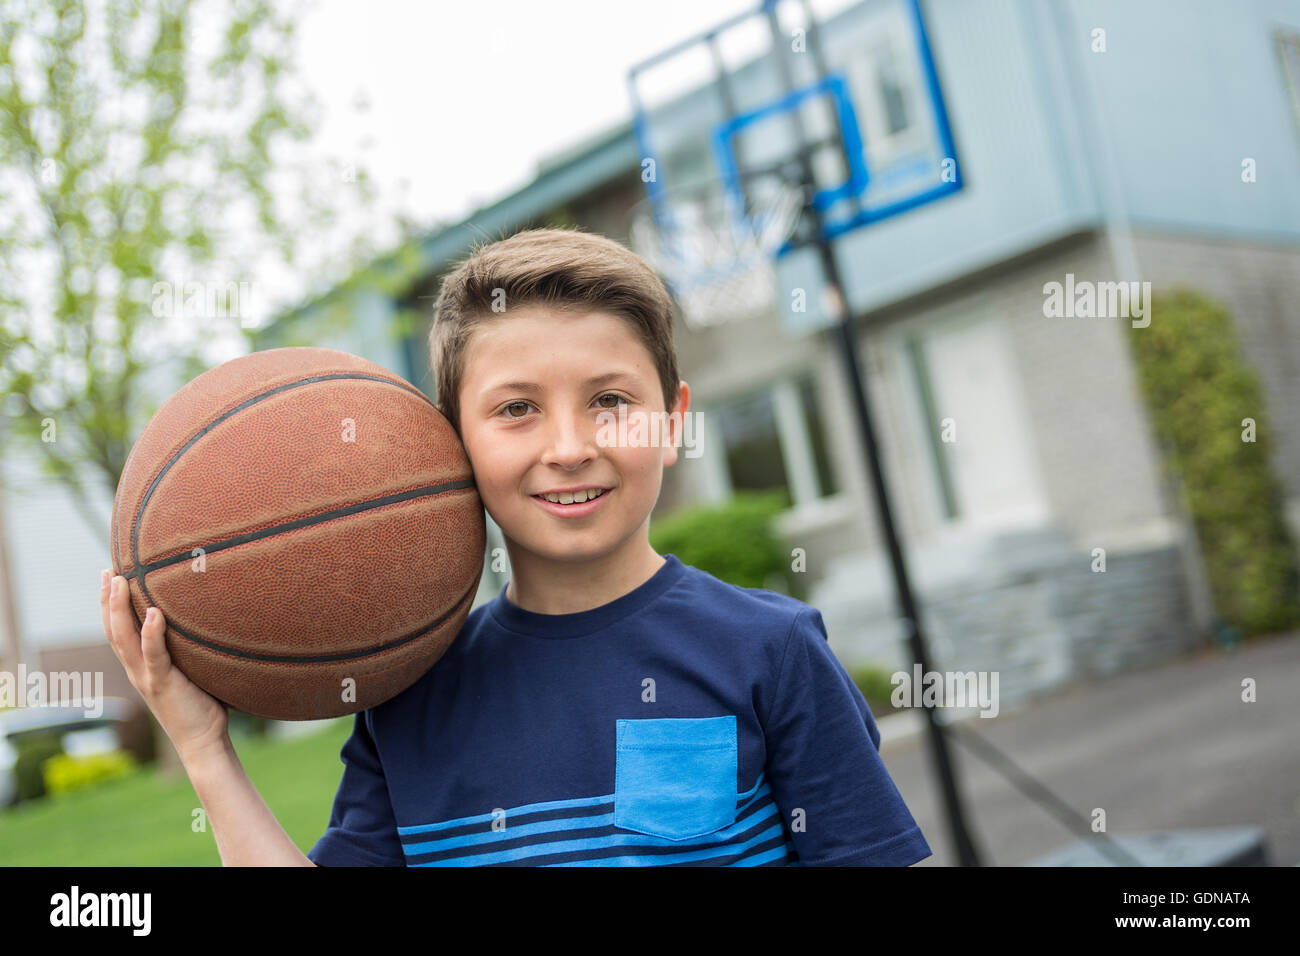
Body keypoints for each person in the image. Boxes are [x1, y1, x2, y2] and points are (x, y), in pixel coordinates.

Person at [101, 227, 932, 866]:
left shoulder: (768, 652)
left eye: (609, 399)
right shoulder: (408, 697)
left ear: (672, 422)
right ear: (449, 443)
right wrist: (203, 746)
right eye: (516, 409)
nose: (568, 446)